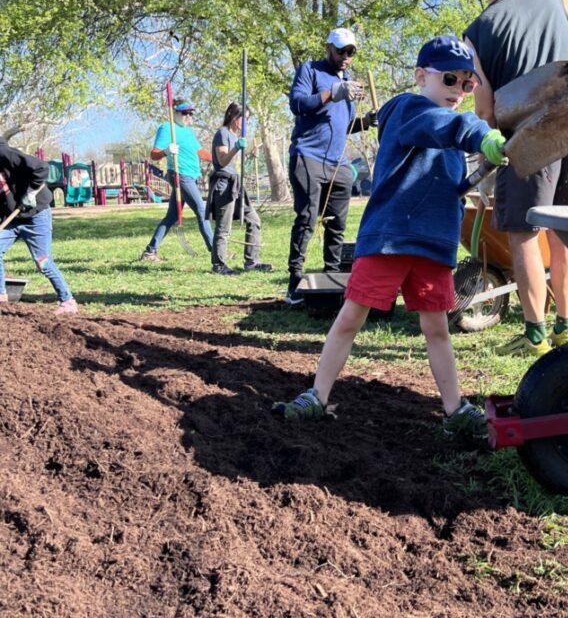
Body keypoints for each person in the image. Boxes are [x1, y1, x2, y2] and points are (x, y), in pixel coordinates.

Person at [272, 35, 506, 439]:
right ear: (421, 76)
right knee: (350, 318)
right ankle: (317, 395)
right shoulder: (407, 109)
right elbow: (445, 126)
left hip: (433, 245)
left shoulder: (451, 132)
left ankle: (454, 409)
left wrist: (482, 164)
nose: (458, 92)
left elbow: (450, 172)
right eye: (450, 79)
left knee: (437, 329)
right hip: (391, 239)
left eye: (468, 85)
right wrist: (480, 134)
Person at [458, 0, 568, 356]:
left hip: (530, 136)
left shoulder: (477, 33)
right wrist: (560, 6)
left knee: (523, 233)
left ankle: (536, 332)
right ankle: (565, 325)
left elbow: (485, 109)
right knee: (567, 230)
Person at [286, 28, 378, 305]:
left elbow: (341, 125)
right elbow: (298, 104)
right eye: (341, 51)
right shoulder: (310, 70)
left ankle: (333, 280)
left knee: (337, 223)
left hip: (337, 162)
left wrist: (365, 121)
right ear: (328, 48)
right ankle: (294, 284)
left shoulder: (347, 81)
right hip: (308, 156)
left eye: (351, 52)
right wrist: (332, 92)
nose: (346, 57)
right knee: (307, 218)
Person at [0, 138, 77, 315]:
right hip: (12, 218)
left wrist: (31, 192)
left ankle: (67, 301)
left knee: (43, 262)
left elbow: (42, 167)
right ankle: (1, 297)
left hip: (36, 215)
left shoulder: (5, 154)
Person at [141, 98, 214, 260]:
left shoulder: (188, 131)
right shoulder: (167, 128)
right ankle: (217, 251)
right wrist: (166, 151)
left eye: (190, 113)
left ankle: (150, 251)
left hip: (191, 176)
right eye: (184, 113)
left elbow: (200, 152)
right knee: (202, 211)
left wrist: (221, 158)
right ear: (175, 113)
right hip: (180, 175)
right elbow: (154, 154)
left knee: (172, 216)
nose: (188, 116)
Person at [207, 102, 273, 275]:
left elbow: (236, 164)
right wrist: (236, 148)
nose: (246, 124)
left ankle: (251, 261)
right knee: (224, 228)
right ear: (233, 116)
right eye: (244, 119)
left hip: (236, 184)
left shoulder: (236, 137)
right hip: (224, 185)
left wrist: (249, 154)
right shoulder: (223, 133)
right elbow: (222, 161)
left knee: (254, 220)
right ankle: (219, 266)